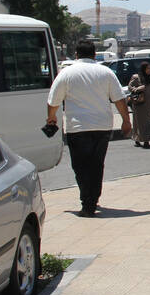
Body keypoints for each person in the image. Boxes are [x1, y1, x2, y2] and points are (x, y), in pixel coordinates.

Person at [47, 43, 132, 217]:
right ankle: (92, 198)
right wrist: (126, 121)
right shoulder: (106, 72)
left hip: (77, 128)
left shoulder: (67, 73)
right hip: (102, 127)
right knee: (96, 164)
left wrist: (52, 118)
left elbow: (53, 100)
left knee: (80, 166)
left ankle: (88, 203)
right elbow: (119, 99)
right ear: (94, 54)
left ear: (76, 54)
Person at [127, 62, 150, 148]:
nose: (149, 70)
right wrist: (137, 89)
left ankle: (146, 140)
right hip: (139, 104)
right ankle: (137, 138)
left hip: (148, 104)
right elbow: (129, 87)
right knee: (138, 123)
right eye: (147, 68)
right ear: (143, 69)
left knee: (147, 123)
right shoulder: (136, 77)